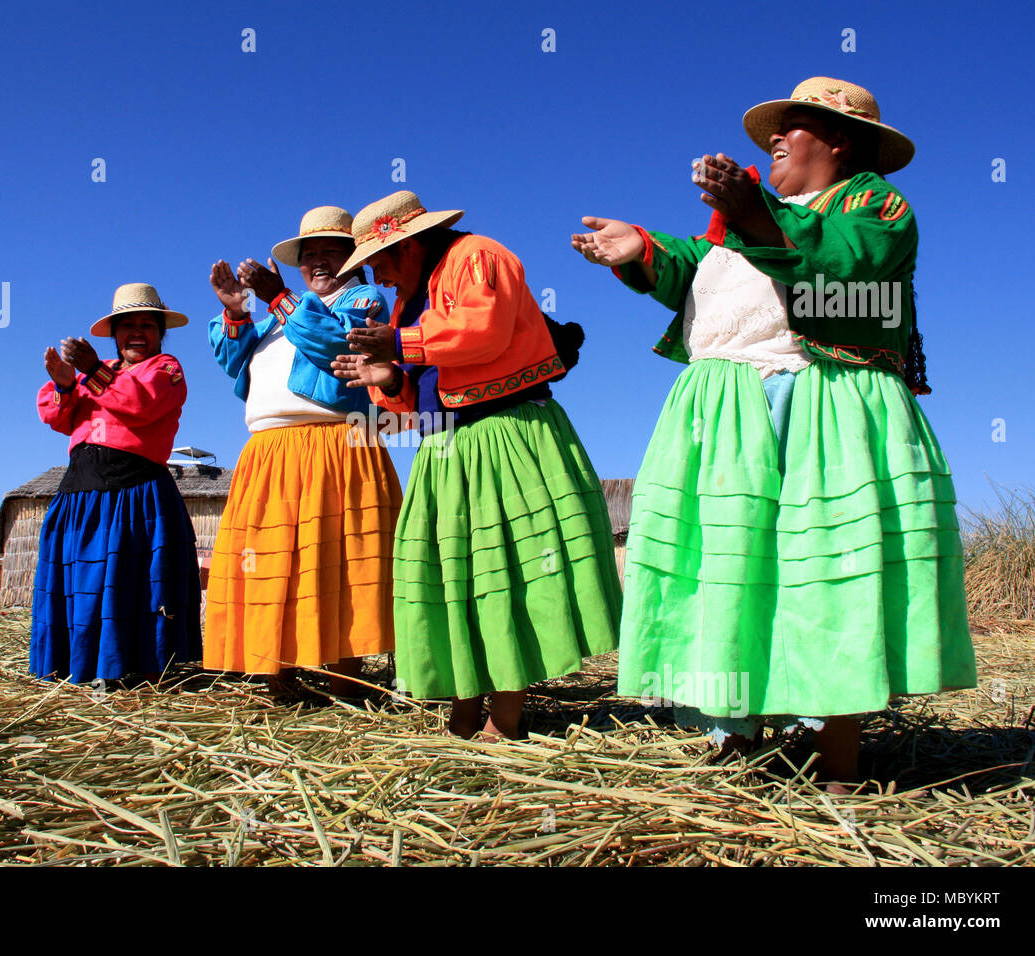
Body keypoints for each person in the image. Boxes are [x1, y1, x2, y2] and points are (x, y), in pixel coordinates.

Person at [572, 77, 976, 784]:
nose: (776, 140)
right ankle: (737, 740)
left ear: (838, 140)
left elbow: (850, 265)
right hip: (725, 405)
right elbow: (699, 270)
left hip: (823, 400)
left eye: (793, 127)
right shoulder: (749, 220)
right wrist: (638, 247)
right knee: (730, 573)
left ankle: (835, 756)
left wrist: (757, 213)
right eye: (774, 132)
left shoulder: (873, 204)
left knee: (822, 572)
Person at [335, 190, 621, 739]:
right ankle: (463, 709)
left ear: (409, 244)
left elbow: (482, 330)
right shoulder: (407, 300)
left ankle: (505, 718)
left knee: (507, 571)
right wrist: (387, 378)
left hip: (505, 433)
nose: (380, 277)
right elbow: (414, 394)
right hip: (444, 448)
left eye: (381, 261)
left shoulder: (479, 257)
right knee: (456, 579)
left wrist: (399, 342)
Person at [205, 206, 403, 697]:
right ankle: (279, 671)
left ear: (353, 258)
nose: (318, 262)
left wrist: (281, 301)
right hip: (269, 451)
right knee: (276, 560)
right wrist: (238, 311)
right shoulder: (276, 315)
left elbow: (339, 349)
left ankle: (346, 675)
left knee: (338, 555)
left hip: (336, 444)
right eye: (308, 255)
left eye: (330, 253)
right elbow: (232, 363)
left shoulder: (362, 299)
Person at [31, 283, 202, 684]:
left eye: (148, 324)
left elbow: (140, 405)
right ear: (114, 333)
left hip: (135, 496)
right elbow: (58, 418)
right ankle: (77, 665)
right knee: (82, 583)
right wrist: (63, 382)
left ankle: (134, 668)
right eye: (128, 325)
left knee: (131, 584)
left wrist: (92, 371)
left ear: (161, 333)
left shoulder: (166, 369)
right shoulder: (100, 372)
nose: (138, 332)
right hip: (82, 496)